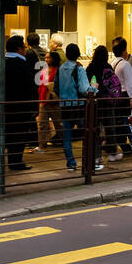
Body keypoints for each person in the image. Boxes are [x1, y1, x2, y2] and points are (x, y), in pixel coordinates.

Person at [3, 36, 38, 172]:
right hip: (22, 107)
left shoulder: (2, 62)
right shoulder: (22, 64)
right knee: (19, 134)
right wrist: (34, 106)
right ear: (19, 49)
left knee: (8, 132)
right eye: (23, 47)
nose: (25, 49)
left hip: (4, 105)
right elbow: (30, 86)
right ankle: (16, 161)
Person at [55, 43, 91, 171]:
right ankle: (87, 161)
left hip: (64, 105)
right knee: (86, 133)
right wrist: (94, 89)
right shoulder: (79, 69)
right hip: (78, 106)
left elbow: (56, 88)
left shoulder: (60, 68)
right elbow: (83, 89)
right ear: (78, 54)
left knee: (67, 136)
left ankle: (71, 163)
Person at [36, 50, 63, 154]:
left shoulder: (59, 71)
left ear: (54, 59)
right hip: (43, 100)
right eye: (46, 57)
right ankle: (41, 145)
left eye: (48, 57)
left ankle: (65, 143)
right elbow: (40, 85)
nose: (46, 59)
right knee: (42, 124)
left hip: (54, 101)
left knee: (59, 124)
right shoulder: (44, 70)